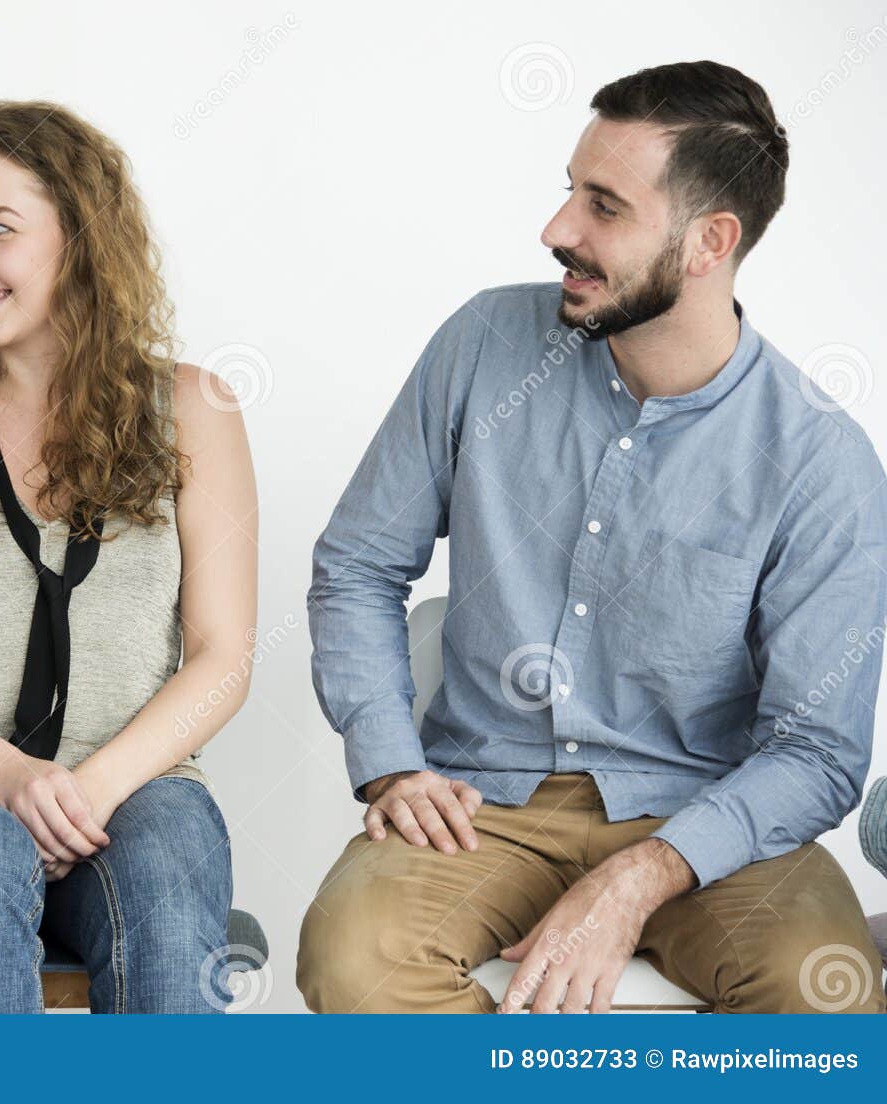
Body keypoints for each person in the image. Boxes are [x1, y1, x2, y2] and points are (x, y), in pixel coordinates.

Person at [298, 61, 887, 1014]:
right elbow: (359, 565)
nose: (558, 228)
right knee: (357, 960)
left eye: (603, 207)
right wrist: (391, 759)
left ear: (710, 241)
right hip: (482, 805)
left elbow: (817, 750)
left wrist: (646, 870)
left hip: (713, 824)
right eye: (571, 190)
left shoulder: (822, 462)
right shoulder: (485, 342)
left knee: (826, 994)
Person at [0, 100, 258, 1012]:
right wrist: (6, 776)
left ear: (82, 238)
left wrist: (88, 790)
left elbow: (223, 657)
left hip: (140, 790)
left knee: (161, 897)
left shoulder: (196, 410)